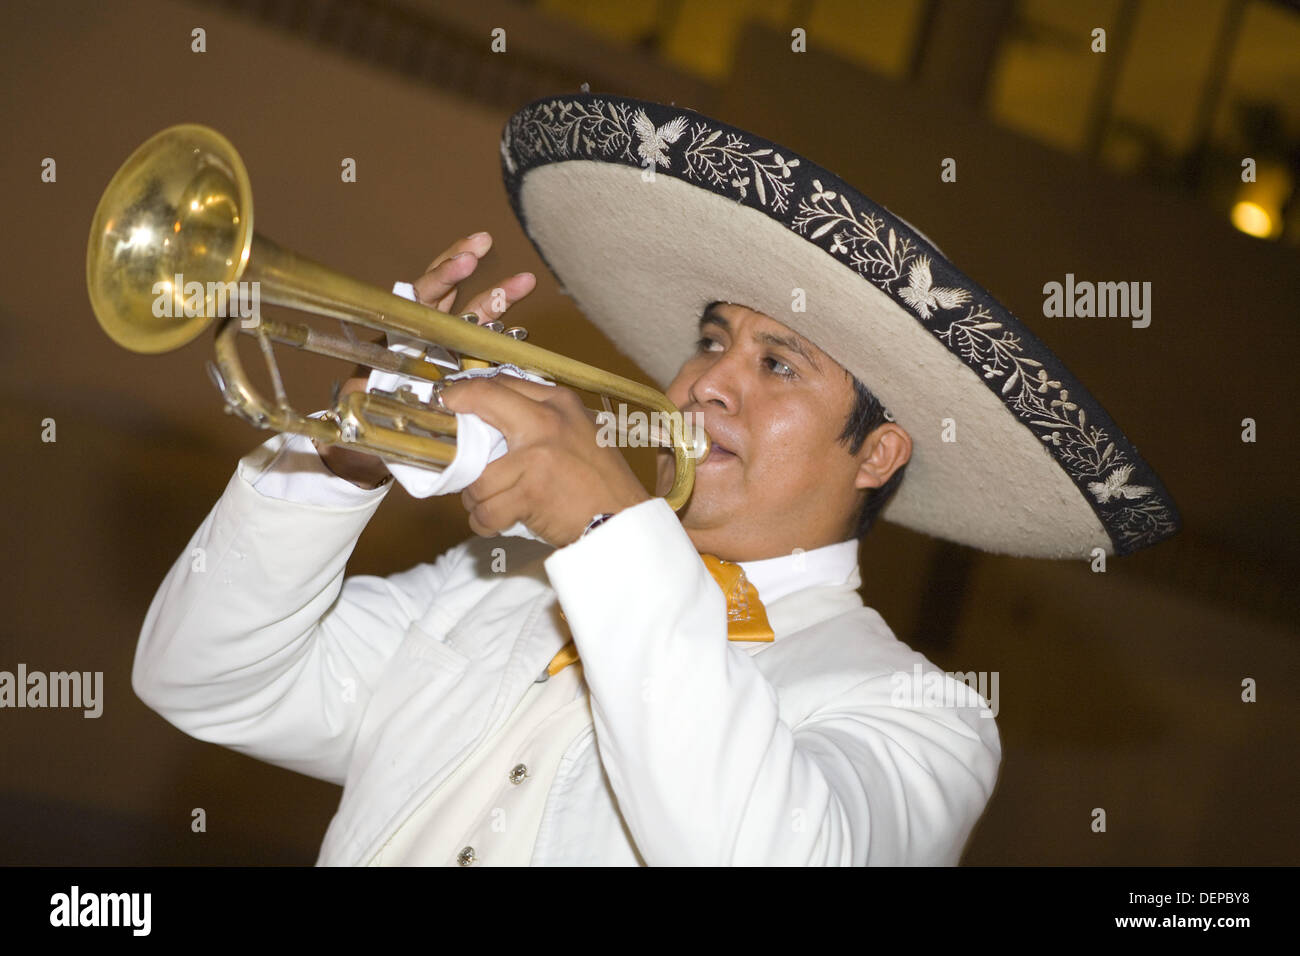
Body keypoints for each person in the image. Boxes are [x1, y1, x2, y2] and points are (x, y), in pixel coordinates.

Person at [132, 93, 1179, 866]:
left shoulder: (923, 713)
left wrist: (602, 524)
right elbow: (202, 678)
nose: (706, 381)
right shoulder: (487, 588)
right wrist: (336, 454)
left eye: (776, 364)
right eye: (712, 338)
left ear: (876, 452)